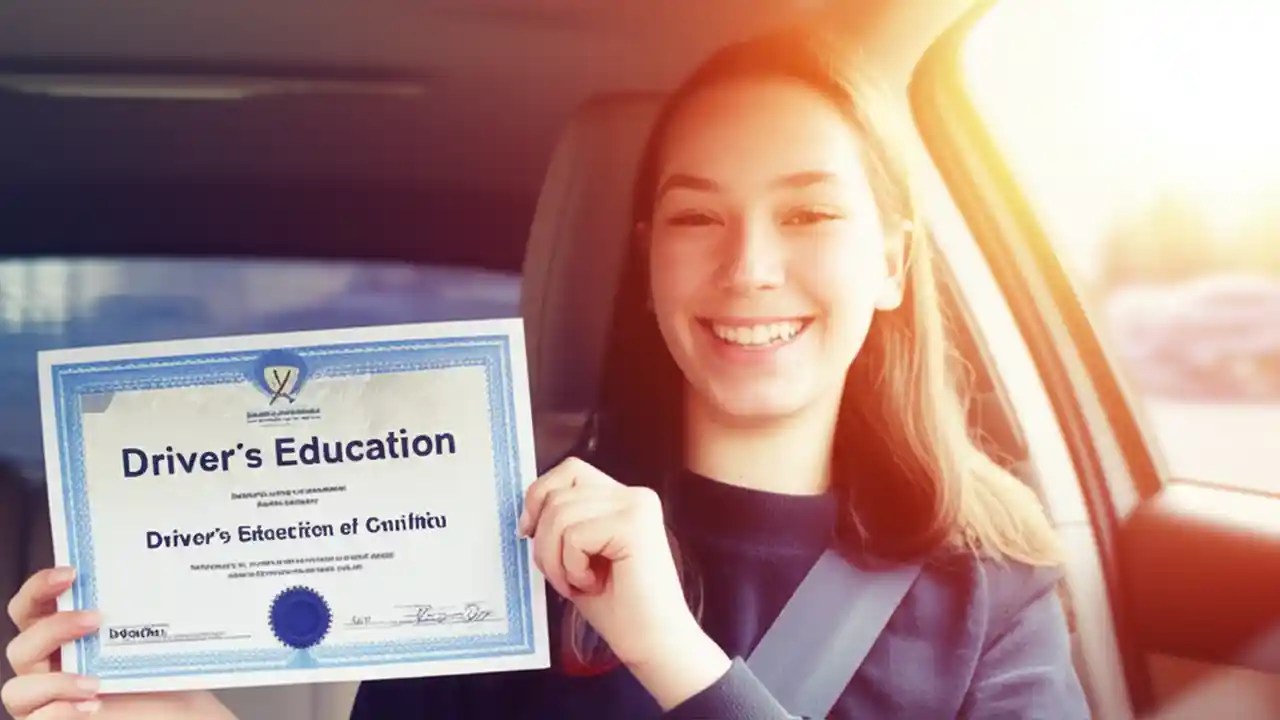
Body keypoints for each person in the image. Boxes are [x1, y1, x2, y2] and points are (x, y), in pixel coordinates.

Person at [2, 28, 1089, 720]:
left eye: (806, 213)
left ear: (891, 261)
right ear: (645, 257)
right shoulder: (487, 543)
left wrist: (672, 654)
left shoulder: (992, 594)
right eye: (695, 216)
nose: (749, 267)